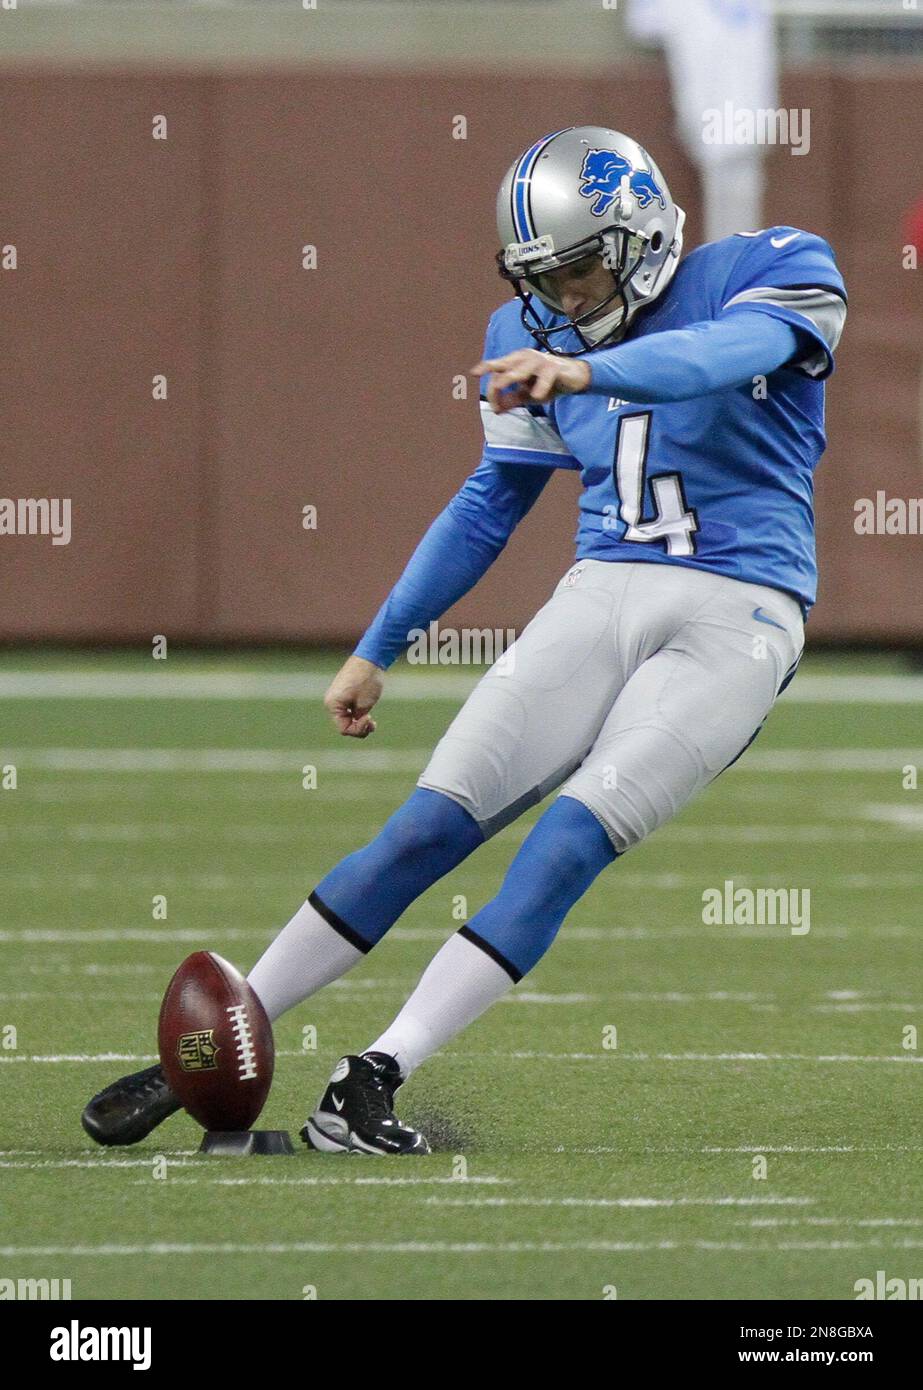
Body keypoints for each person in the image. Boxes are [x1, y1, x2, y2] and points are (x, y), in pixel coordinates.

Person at [83, 125, 846, 1155]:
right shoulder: (528, 331)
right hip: (599, 590)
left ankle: (375, 1072)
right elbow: (491, 503)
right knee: (422, 827)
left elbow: (727, 351)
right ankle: (224, 1035)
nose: (563, 299)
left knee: (567, 839)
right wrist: (379, 644)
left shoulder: (769, 266)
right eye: (543, 278)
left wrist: (589, 375)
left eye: (578, 269)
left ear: (641, 235)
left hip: (738, 611)